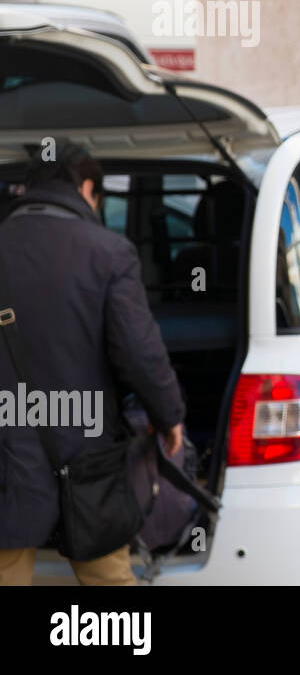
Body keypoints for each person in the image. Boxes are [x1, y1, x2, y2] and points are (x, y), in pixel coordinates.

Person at [0, 142, 186, 585]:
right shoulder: (108, 252)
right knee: (110, 586)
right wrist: (168, 416)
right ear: (87, 189)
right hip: (88, 462)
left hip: (6, 456)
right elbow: (139, 352)